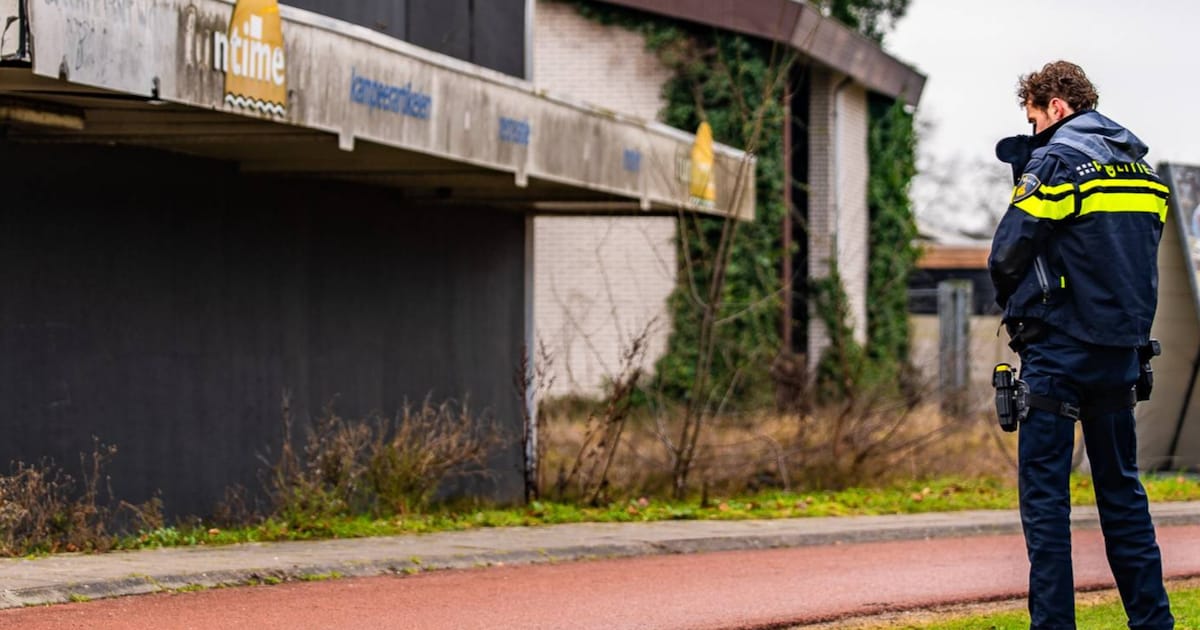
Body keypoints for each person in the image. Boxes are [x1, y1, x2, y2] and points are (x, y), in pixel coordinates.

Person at [988, 61, 1175, 629]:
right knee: (1123, 495)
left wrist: (1020, 314)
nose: (1034, 130)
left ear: (1056, 107)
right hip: (1122, 354)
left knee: (1046, 501)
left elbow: (1007, 253)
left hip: (1058, 352)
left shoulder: (1055, 162)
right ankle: (1153, 622)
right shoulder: (1143, 172)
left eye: (1034, 118)